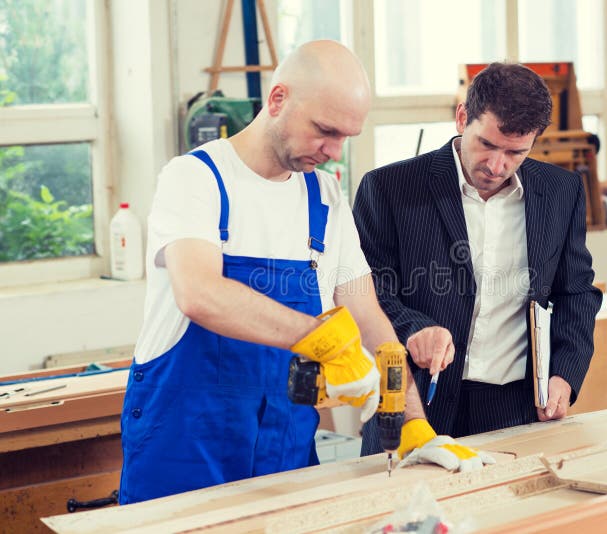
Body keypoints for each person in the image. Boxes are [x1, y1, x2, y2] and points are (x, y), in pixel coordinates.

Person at [119, 40, 491, 505]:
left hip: (283, 453)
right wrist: (324, 339)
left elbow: (368, 318)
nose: (333, 151)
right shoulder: (196, 178)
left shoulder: (325, 197)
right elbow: (200, 293)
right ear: (278, 99)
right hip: (184, 451)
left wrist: (411, 421)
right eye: (324, 130)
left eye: (345, 137)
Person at [354, 62, 603, 455]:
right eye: (487, 144)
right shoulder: (388, 188)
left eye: (516, 152)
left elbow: (576, 293)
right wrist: (414, 329)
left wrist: (564, 374)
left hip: (515, 407)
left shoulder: (561, 191)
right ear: (462, 118)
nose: (497, 165)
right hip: (416, 398)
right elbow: (366, 289)